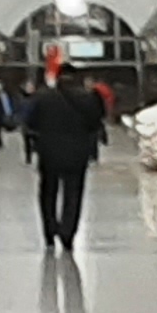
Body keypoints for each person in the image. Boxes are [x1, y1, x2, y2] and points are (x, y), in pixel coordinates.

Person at [25, 56, 110, 251]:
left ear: (58, 77)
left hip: (48, 153)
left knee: (48, 193)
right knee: (73, 194)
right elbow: (96, 123)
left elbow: (30, 122)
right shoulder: (89, 98)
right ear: (77, 78)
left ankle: (49, 232)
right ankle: (67, 234)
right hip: (77, 154)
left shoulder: (42, 97)